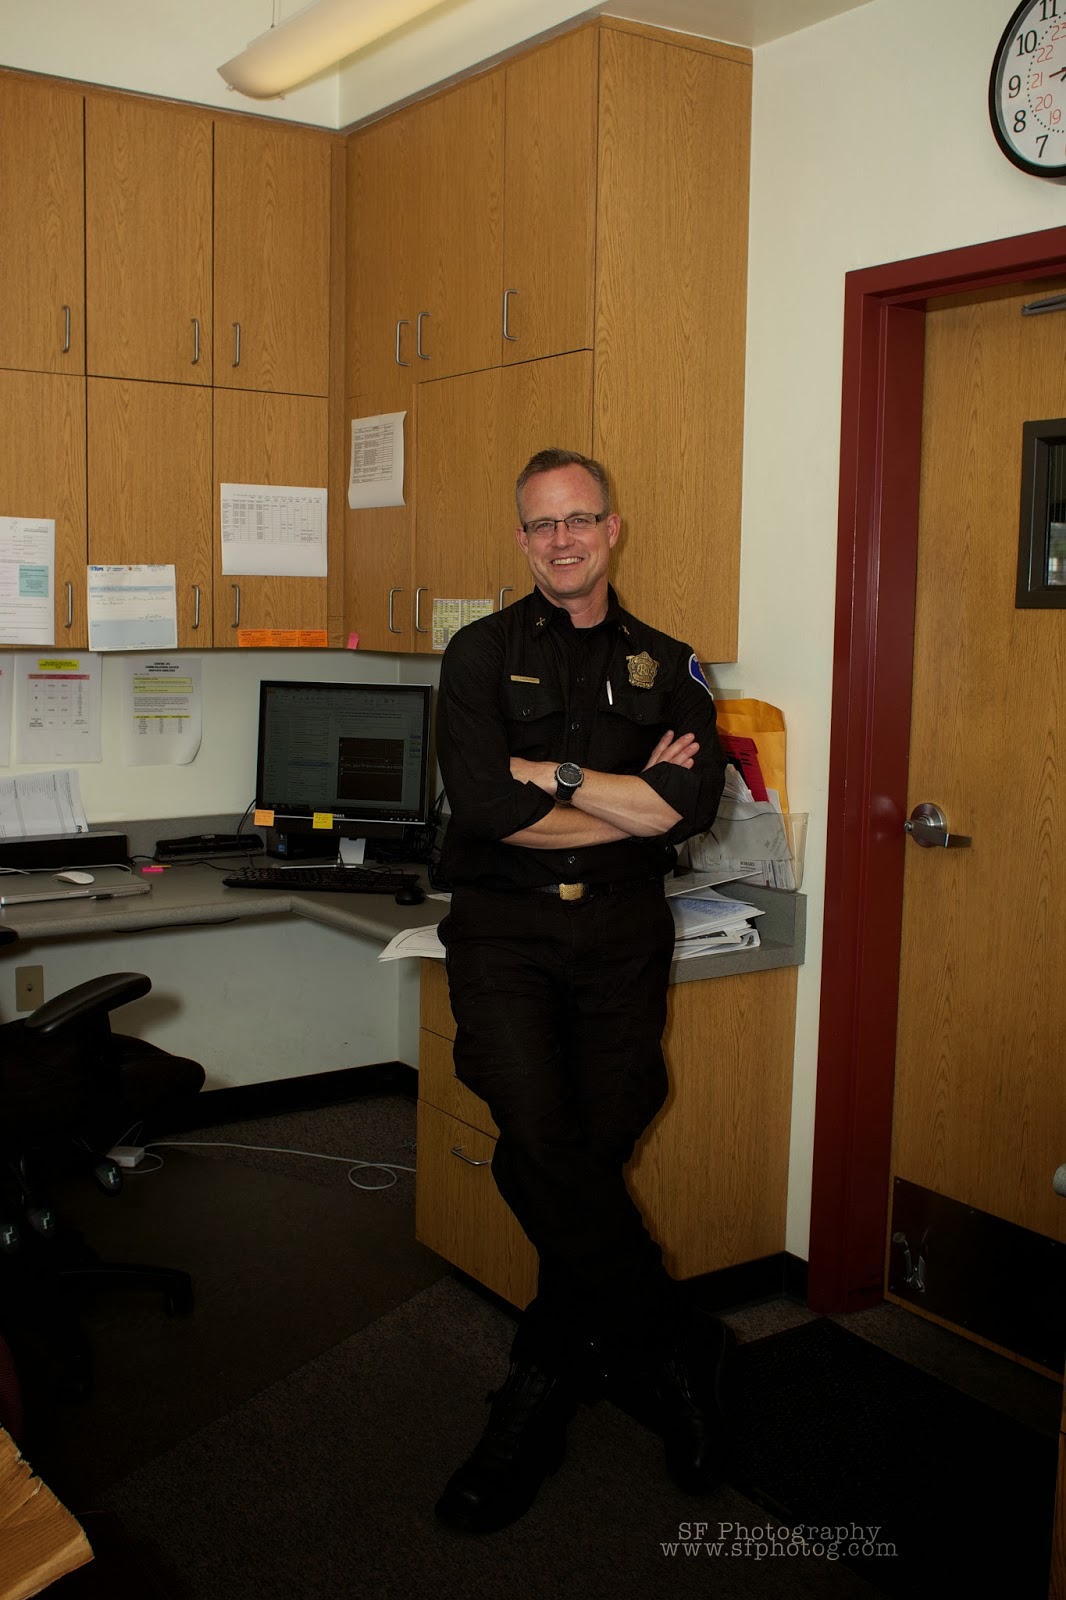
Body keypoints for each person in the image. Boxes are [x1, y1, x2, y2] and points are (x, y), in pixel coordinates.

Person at [433, 447, 730, 1535]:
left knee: (578, 1150)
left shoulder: (673, 665)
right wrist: (623, 797)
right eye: (540, 525)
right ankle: (669, 1337)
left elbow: (682, 812)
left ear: (613, 527)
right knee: (541, 1136)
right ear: (522, 541)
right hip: (504, 931)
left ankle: (542, 1381)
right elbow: (477, 803)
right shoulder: (476, 654)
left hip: (618, 940)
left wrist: (548, 775)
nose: (560, 539)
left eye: (579, 519)